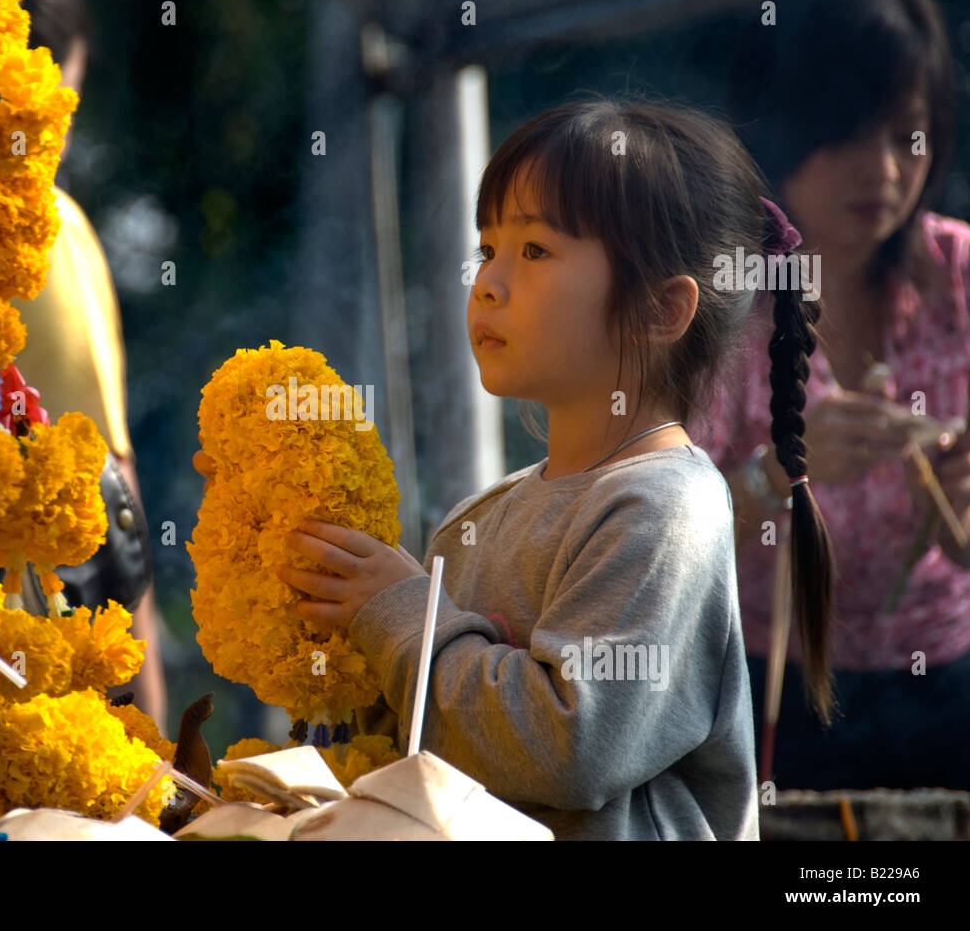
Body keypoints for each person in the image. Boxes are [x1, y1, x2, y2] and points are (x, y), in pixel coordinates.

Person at [198, 96, 830, 839]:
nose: (488, 282)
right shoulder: (481, 518)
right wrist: (278, 555)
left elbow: (573, 748)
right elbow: (425, 738)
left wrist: (397, 611)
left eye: (533, 251)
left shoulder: (666, 509)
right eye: (487, 248)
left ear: (662, 311)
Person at [693, 0, 970, 790]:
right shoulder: (720, 299)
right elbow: (656, 528)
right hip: (769, 686)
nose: (882, 170)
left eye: (906, 136)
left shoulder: (957, 275)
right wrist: (777, 473)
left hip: (945, 678)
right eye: (848, 134)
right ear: (779, 130)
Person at [0, 0, 168, 731]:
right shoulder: (48, 232)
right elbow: (113, 509)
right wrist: (153, 736)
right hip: (27, 688)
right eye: (74, 91)